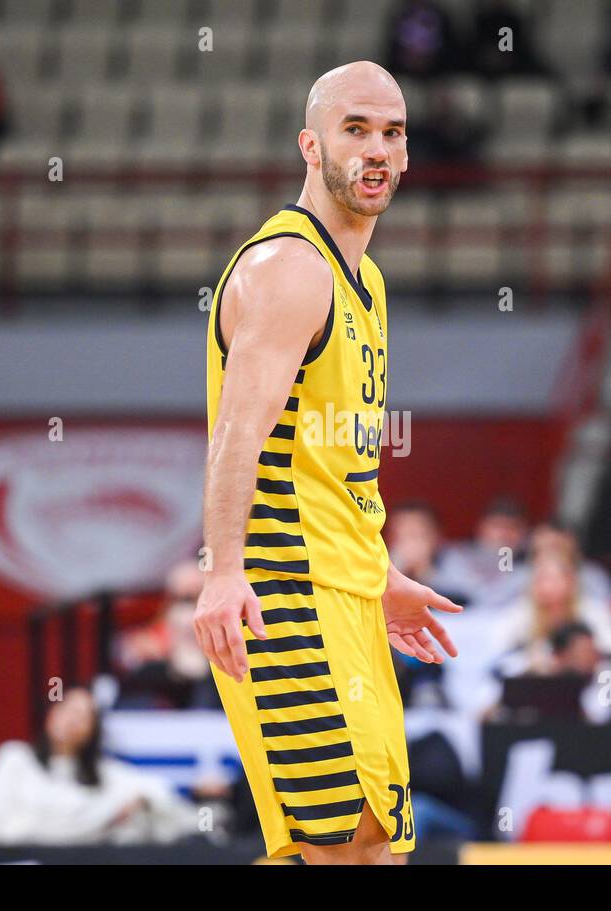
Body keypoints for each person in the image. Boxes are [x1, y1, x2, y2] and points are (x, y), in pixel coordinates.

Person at [194, 62, 460, 865]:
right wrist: (223, 569)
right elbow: (237, 434)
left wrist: (374, 577)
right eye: (356, 130)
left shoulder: (366, 280)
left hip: (344, 593)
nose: (377, 150)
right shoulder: (290, 271)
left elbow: (332, 465)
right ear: (311, 146)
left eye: (393, 133)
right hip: (281, 594)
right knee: (342, 847)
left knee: (374, 845)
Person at [0, 687, 197, 845]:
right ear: (51, 715)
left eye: (82, 716)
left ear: (92, 731)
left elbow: (152, 791)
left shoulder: (104, 773)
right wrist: (99, 818)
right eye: (66, 710)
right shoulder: (14, 758)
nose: (71, 721)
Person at [493, 551, 611, 667]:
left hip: (585, 678)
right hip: (535, 680)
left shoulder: (591, 609)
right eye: (543, 579)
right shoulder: (521, 611)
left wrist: (580, 654)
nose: (550, 586)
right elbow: (498, 651)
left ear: (572, 582)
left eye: (556, 579)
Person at [115, 559, 219, 709]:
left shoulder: (220, 627)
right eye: (181, 597)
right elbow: (129, 656)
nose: (186, 605)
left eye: (193, 596)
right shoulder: (151, 634)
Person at [434, 496, 533, 607]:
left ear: (524, 533)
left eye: (512, 527)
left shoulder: (529, 567)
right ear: (481, 528)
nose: (503, 535)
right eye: (497, 526)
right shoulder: (456, 556)